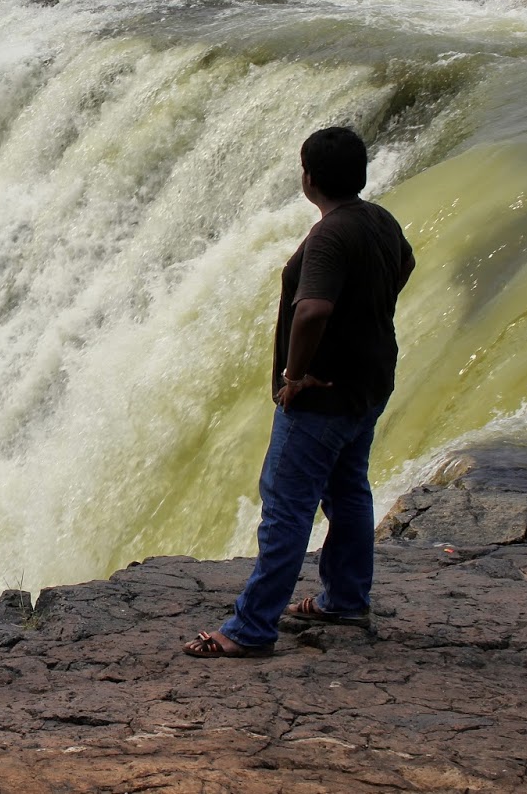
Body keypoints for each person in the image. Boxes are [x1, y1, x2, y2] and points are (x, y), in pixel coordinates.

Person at [184, 125, 414, 659]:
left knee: (286, 507)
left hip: (321, 395)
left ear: (309, 178)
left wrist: (294, 375)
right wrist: (366, 317)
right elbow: (405, 264)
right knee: (348, 490)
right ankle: (346, 600)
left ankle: (250, 629)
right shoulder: (377, 219)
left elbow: (312, 309)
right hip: (369, 381)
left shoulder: (330, 236)